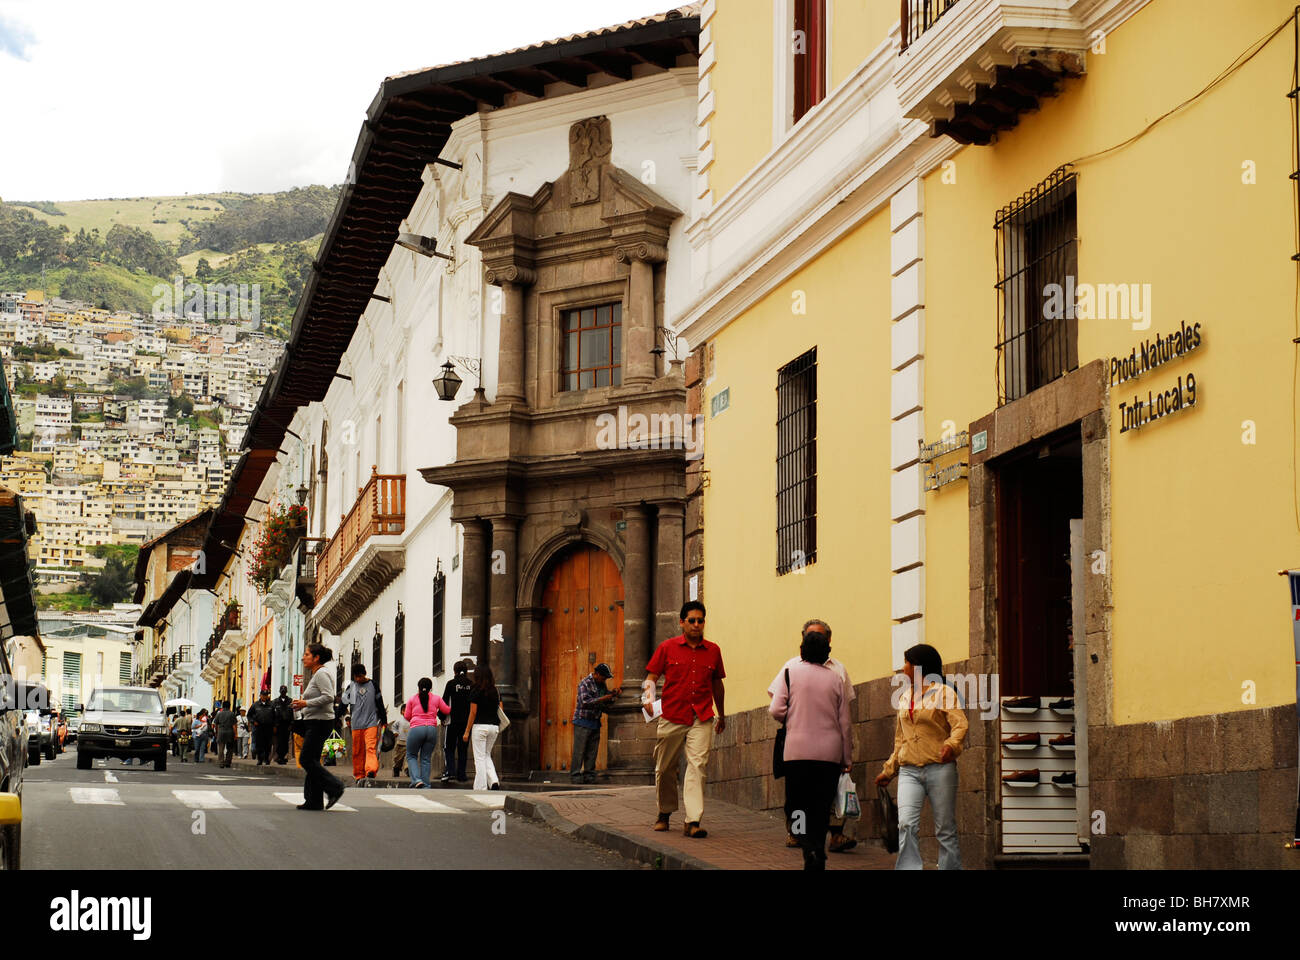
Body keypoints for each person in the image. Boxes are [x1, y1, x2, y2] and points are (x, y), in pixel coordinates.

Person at [767, 619, 858, 853]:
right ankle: (815, 843)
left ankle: (801, 836)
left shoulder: (790, 672)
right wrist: (847, 758)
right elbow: (844, 722)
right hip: (829, 753)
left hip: (796, 750)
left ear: (802, 648)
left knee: (797, 798)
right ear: (827, 648)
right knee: (821, 800)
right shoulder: (835, 678)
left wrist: (794, 718)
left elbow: (775, 708)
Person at [875, 643, 968, 870]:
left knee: (945, 828)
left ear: (918, 666)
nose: (903, 667)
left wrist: (951, 745)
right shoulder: (905, 697)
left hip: (940, 768)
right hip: (909, 771)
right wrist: (889, 769)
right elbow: (901, 739)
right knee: (906, 824)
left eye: (907, 662)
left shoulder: (944, 692)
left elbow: (960, 725)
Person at [643, 600, 726, 838]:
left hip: (702, 715)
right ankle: (665, 812)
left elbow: (717, 684)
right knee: (665, 767)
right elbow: (652, 675)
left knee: (697, 766)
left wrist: (721, 713)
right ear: (682, 623)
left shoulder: (713, 650)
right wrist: (647, 698)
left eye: (700, 621)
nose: (697, 625)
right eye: (692, 621)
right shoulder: (667, 648)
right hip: (672, 714)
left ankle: (693, 820)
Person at [292, 643, 345, 811]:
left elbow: (329, 697)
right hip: (314, 721)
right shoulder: (316, 674)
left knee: (306, 759)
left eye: (307, 654)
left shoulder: (321, 674)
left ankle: (334, 787)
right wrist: (302, 705)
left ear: (316, 658)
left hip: (320, 723)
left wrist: (306, 702)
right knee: (312, 760)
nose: (303, 657)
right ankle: (313, 800)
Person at [571, 663, 619, 784]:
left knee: (592, 752)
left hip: (594, 722)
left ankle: (589, 776)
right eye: (603, 677)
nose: (604, 680)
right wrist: (604, 698)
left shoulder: (601, 683)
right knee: (579, 751)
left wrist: (612, 694)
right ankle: (575, 776)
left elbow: (604, 696)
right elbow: (585, 702)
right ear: (596, 674)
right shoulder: (585, 683)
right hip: (582, 721)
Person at [342, 663, 387, 785]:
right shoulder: (351, 687)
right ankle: (358, 774)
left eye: (360, 676)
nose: (358, 679)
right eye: (356, 677)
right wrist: (336, 716)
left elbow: (379, 703)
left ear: (364, 674)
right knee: (357, 751)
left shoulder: (373, 685)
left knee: (370, 748)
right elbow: (343, 704)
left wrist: (384, 719)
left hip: (371, 723)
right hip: (356, 724)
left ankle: (370, 770)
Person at [404, 678, 450, 787]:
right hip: (431, 729)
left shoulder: (412, 699)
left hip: (416, 729)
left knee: (411, 756)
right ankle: (425, 784)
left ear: (418, 687)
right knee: (426, 758)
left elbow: (406, 716)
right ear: (431, 688)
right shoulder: (436, 698)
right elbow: (447, 710)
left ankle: (416, 780)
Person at [463, 664, 501, 791]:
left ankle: (481, 787)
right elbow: (500, 709)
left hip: (480, 726)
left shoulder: (476, 690)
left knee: (479, 758)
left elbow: (473, 712)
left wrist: (467, 731)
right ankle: (494, 780)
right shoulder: (496, 690)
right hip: (494, 727)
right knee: (486, 754)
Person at [439, 660, 474, 783]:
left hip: (452, 721)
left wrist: (442, 717)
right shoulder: (471, 685)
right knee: (463, 748)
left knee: (449, 747)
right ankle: (462, 774)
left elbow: (444, 702)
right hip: (466, 722)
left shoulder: (451, 684)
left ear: (454, 671)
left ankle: (450, 771)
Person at [248, 689, 276, 765]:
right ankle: (260, 759)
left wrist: (274, 726)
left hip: (268, 727)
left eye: (266, 695)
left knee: (268, 744)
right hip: (259, 727)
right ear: (260, 695)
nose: (264, 697)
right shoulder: (255, 705)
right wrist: (253, 722)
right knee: (259, 744)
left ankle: (266, 759)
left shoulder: (271, 705)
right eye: (263, 695)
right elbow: (249, 715)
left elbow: (275, 716)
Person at [273, 685, 294, 764]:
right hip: (278, 725)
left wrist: (291, 724)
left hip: (287, 725)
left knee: (285, 741)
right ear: (280, 692)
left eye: (284, 691)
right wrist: (274, 725)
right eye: (282, 691)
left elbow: (293, 714)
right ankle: (280, 757)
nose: (283, 693)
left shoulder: (290, 701)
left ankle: (283, 756)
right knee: (279, 741)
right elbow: (273, 715)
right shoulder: (275, 702)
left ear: (286, 692)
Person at [213, 701, 237, 768]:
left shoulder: (219, 714)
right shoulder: (232, 714)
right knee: (230, 748)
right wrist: (236, 734)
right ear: (229, 706)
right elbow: (234, 725)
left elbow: (216, 724)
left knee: (221, 748)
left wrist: (217, 732)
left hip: (221, 731)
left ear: (223, 706)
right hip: (230, 731)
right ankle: (228, 762)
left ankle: (221, 763)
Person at [388, 709, 410, 779]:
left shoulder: (412, 720)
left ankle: (408, 769)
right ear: (401, 712)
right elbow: (393, 727)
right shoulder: (399, 720)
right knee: (398, 758)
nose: (406, 712)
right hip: (400, 741)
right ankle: (396, 769)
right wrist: (395, 732)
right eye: (404, 710)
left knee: (409, 757)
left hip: (409, 742)